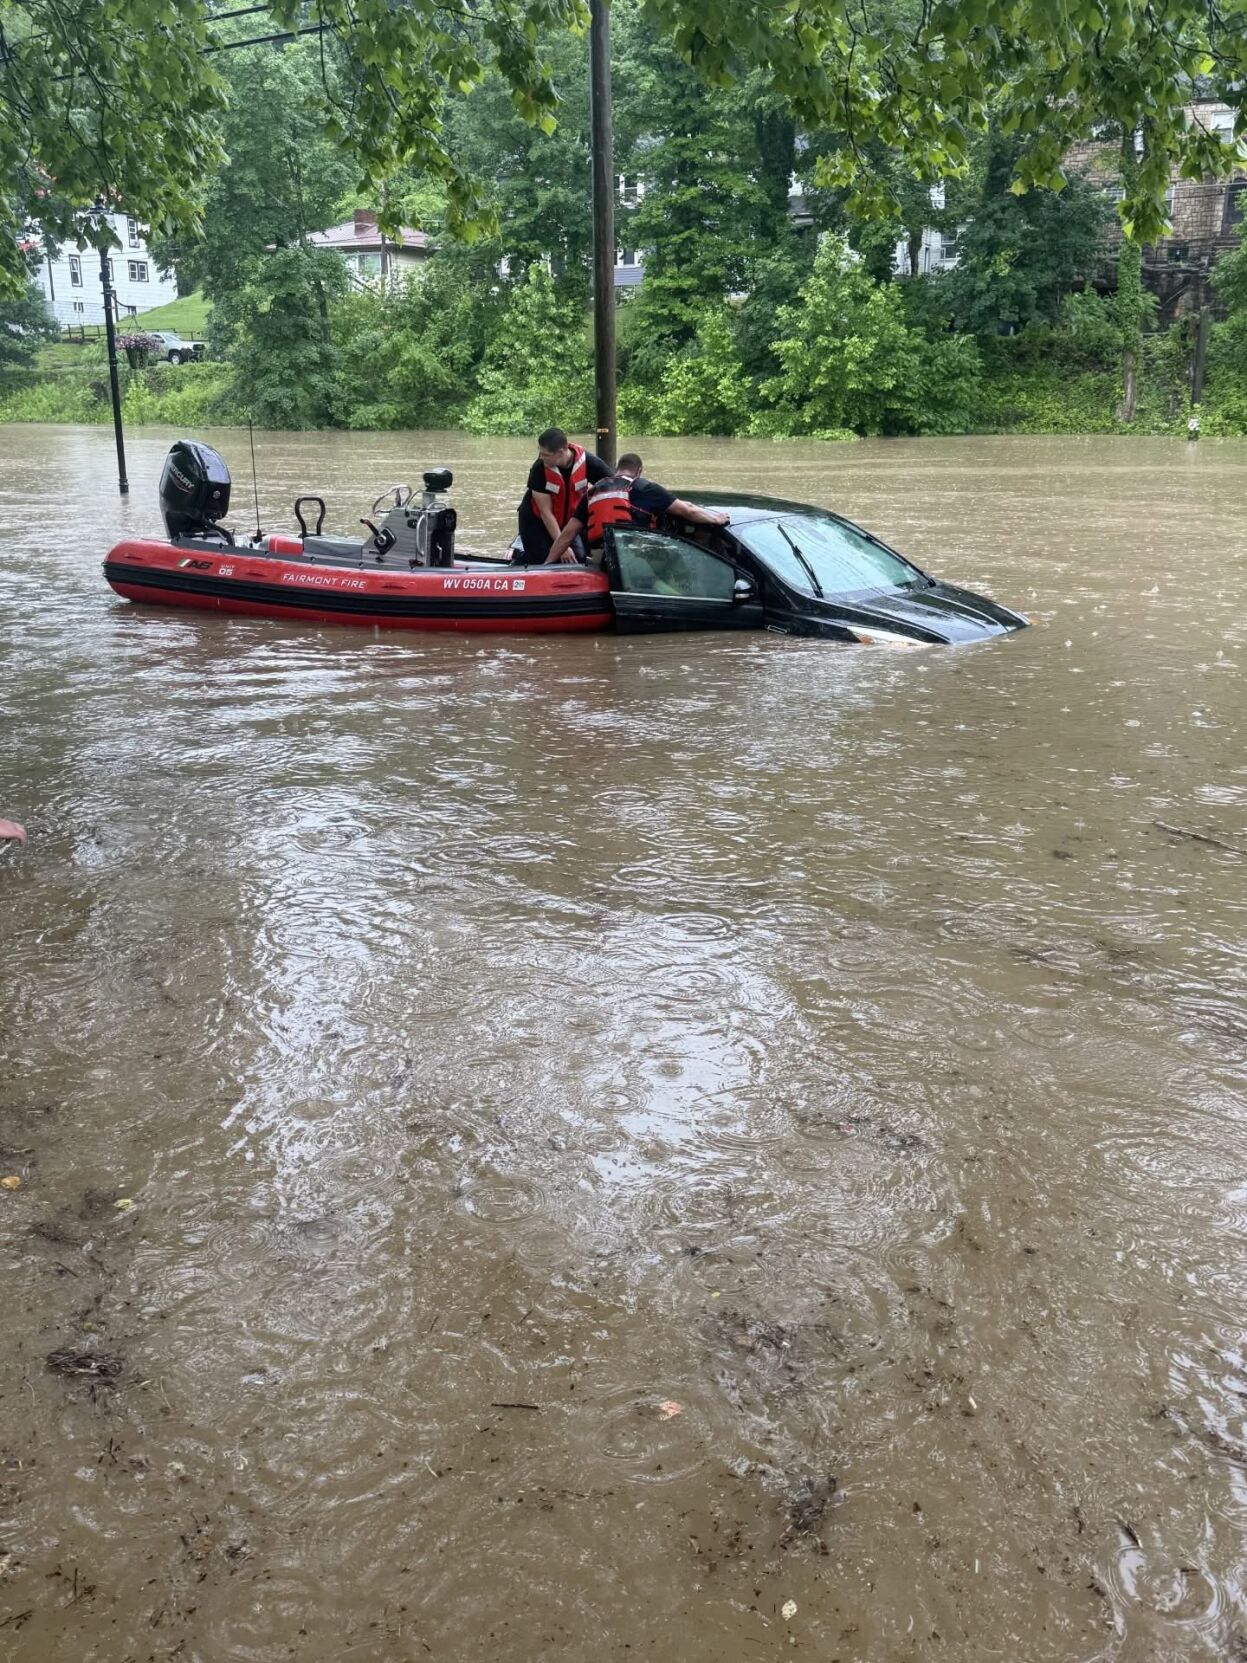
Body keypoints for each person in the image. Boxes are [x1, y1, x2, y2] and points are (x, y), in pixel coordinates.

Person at [544, 453, 730, 566]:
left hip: (603, 558)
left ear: (617, 469)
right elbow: (687, 511)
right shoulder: (645, 488)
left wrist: (547, 564)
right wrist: (716, 519)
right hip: (637, 557)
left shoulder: (593, 492)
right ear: (639, 471)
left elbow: (567, 534)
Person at [514, 427, 612, 564]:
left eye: (546, 454)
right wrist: (562, 548)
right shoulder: (538, 470)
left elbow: (614, 484)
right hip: (536, 522)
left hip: (567, 523)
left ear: (560, 452)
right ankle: (520, 558)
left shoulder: (589, 463)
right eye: (540, 452)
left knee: (577, 559)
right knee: (542, 560)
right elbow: (545, 513)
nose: (541, 457)